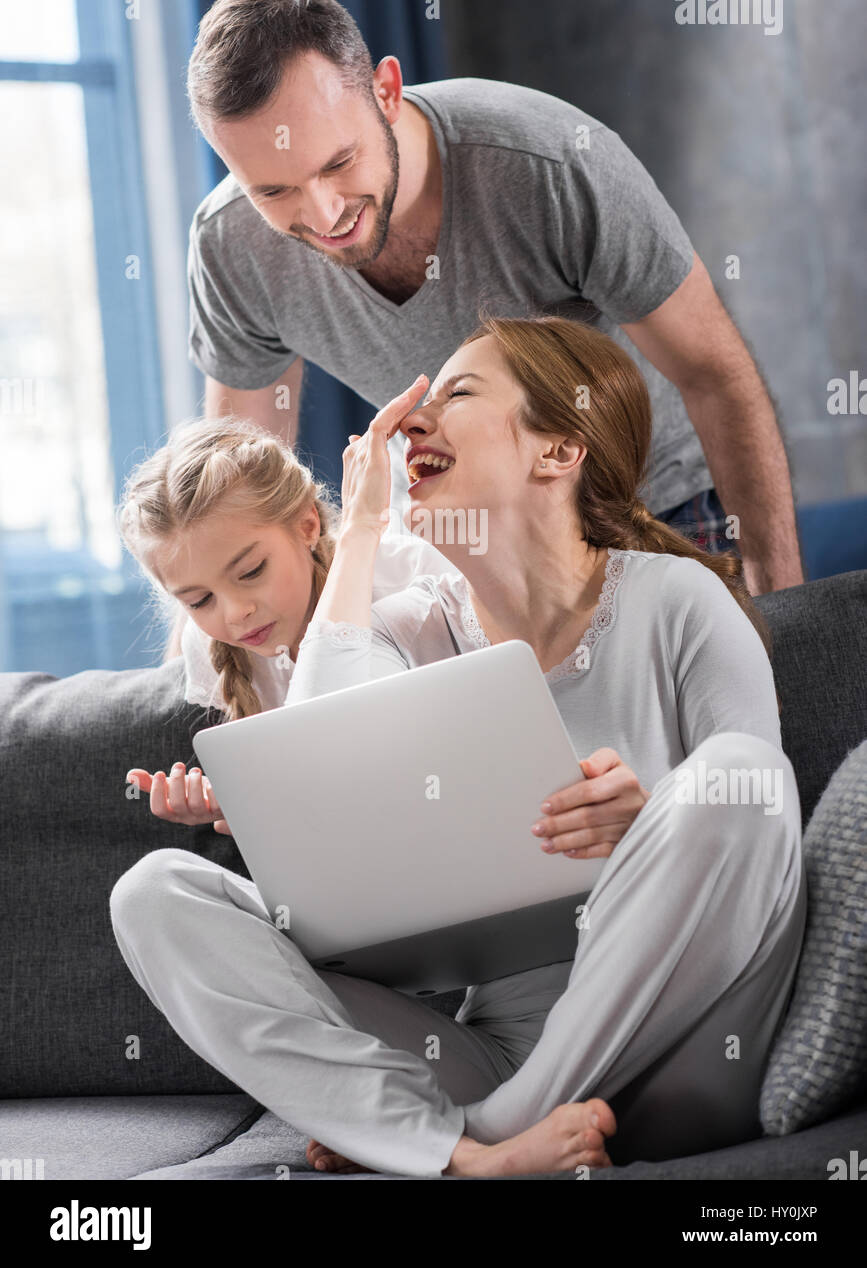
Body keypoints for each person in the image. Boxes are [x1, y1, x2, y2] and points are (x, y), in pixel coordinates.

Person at [110, 316, 806, 1178]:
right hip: (493, 1047)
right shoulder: (411, 626)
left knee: (737, 777)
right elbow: (327, 758)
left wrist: (651, 819)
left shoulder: (678, 600)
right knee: (156, 892)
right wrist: (359, 527)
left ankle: (471, 1136)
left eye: (457, 395)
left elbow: (764, 840)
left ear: (556, 450)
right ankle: (463, 1152)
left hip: (682, 1059)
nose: (413, 420)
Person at [182, 0, 803, 607]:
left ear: (387, 93)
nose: (323, 214)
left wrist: (783, 607)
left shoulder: (554, 166)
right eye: (272, 191)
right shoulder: (229, 246)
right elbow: (238, 497)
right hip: (466, 550)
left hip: (652, 510)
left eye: (338, 163)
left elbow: (715, 376)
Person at [117, 413, 455, 826]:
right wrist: (237, 806)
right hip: (334, 853)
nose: (235, 612)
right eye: (200, 600)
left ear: (307, 524)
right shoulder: (206, 645)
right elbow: (303, 795)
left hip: (432, 821)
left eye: (251, 572)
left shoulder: (415, 578)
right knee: (151, 880)